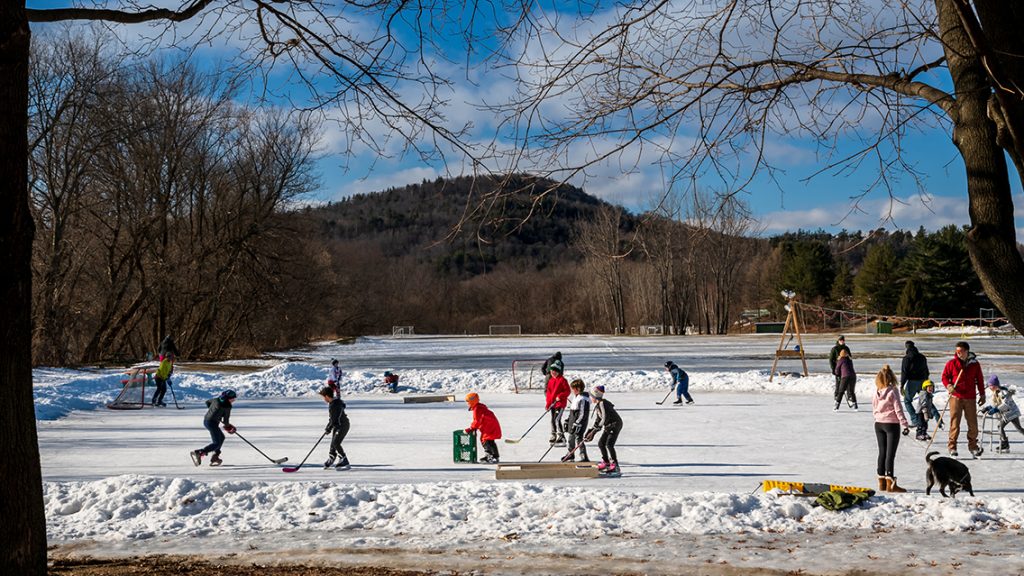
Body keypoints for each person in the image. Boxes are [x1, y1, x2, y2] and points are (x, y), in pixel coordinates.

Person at [941, 341, 985, 458]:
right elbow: (945, 377)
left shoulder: (974, 364)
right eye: (957, 352)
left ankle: (973, 447)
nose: (958, 354)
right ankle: (952, 447)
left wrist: (982, 394)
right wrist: (949, 386)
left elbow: (979, 380)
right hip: (956, 397)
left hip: (970, 397)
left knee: (973, 424)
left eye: (961, 351)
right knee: (955, 423)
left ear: (967, 351)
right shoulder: (952, 363)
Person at [872, 365, 910, 493]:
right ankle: (890, 484)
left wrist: (878, 417)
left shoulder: (877, 391)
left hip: (878, 424)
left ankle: (881, 482)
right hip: (891, 425)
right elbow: (898, 409)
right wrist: (904, 424)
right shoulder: (893, 391)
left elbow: (874, 408)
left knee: (882, 452)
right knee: (890, 454)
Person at [191, 390, 237, 467]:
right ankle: (200, 452)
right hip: (212, 423)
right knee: (216, 443)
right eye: (232, 398)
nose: (234, 400)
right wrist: (229, 427)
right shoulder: (227, 406)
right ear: (228, 398)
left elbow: (207, 402)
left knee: (221, 437)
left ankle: (215, 456)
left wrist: (213, 411)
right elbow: (226, 421)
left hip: (207, 421)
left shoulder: (216, 399)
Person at [586, 385, 623, 475]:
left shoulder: (602, 404)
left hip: (615, 425)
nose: (591, 398)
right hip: (608, 426)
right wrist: (592, 429)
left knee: (609, 444)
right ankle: (606, 462)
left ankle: (615, 465)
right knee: (601, 443)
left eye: (591, 396)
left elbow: (604, 418)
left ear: (595, 396)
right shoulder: (598, 405)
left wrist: (596, 430)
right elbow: (599, 418)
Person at [981, 375, 1024, 453]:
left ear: (994, 385)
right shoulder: (995, 393)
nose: (989, 387)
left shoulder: (1003, 392)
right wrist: (988, 408)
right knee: (1019, 428)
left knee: (1000, 426)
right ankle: (1005, 443)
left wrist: (996, 409)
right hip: (1009, 413)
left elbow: (1005, 404)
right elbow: (995, 404)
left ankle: (1005, 443)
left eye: (990, 386)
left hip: (1010, 412)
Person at [900, 340, 929, 430]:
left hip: (912, 382)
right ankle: (931, 418)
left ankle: (915, 420)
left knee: (907, 401)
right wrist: (927, 381)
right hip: (923, 381)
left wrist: (902, 384)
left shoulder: (907, 358)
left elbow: (904, 372)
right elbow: (926, 370)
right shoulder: (922, 357)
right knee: (924, 401)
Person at [464, 392, 501, 463]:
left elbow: (477, 421)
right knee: (490, 440)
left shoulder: (477, 409)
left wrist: (471, 428)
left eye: (468, 401)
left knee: (485, 439)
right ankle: (495, 456)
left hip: (489, 426)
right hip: (491, 425)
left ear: (472, 401)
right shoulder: (479, 407)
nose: (467, 403)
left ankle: (489, 456)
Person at [320, 386, 351, 469]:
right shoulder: (333, 403)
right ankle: (332, 457)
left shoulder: (334, 405)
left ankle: (344, 459)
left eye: (323, 397)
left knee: (336, 443)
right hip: (338, 425)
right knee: (333, 442)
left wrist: (328, 428)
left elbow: (334, 419)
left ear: (326, 396)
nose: (323, 399)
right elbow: (332, 419)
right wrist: (329, 427)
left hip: (342, 425)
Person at [561, 379, 590, 462]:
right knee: (570, 438)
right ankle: (570, 454)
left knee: (579, 438)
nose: (572, 390)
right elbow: (572, 411)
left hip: (580, 423)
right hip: (573, 422)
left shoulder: (583, 399)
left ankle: (583, 456)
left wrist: (577, 423)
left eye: (573, 389)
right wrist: (567, 420)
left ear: (578, 389)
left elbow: (582, 413)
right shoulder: (575, 397)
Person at [544, 363, 570, 445]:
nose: (553, 372)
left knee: (557, 419)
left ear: (558, 372)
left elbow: (567, 391)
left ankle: (561, 437)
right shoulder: (551, 381)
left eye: (555, 371)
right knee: (552, 420)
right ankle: (553, 435)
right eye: (552, 371)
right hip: (553, 404)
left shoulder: (562, 380)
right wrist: (548, 404)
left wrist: (560, 396)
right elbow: (549, 394)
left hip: (560, 404)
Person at [829, 335, 851, 401]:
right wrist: (833, 369)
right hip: (838, 369)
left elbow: (850, 358)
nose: (842, 341)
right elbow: (831, 360)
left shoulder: (846, 348)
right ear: (838, 341)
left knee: (848, 384)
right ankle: (837, 395)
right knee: (838, 383)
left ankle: (849, 396)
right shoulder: (834, 349)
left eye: (843, 340)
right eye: (841, 340)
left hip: (846, 369)